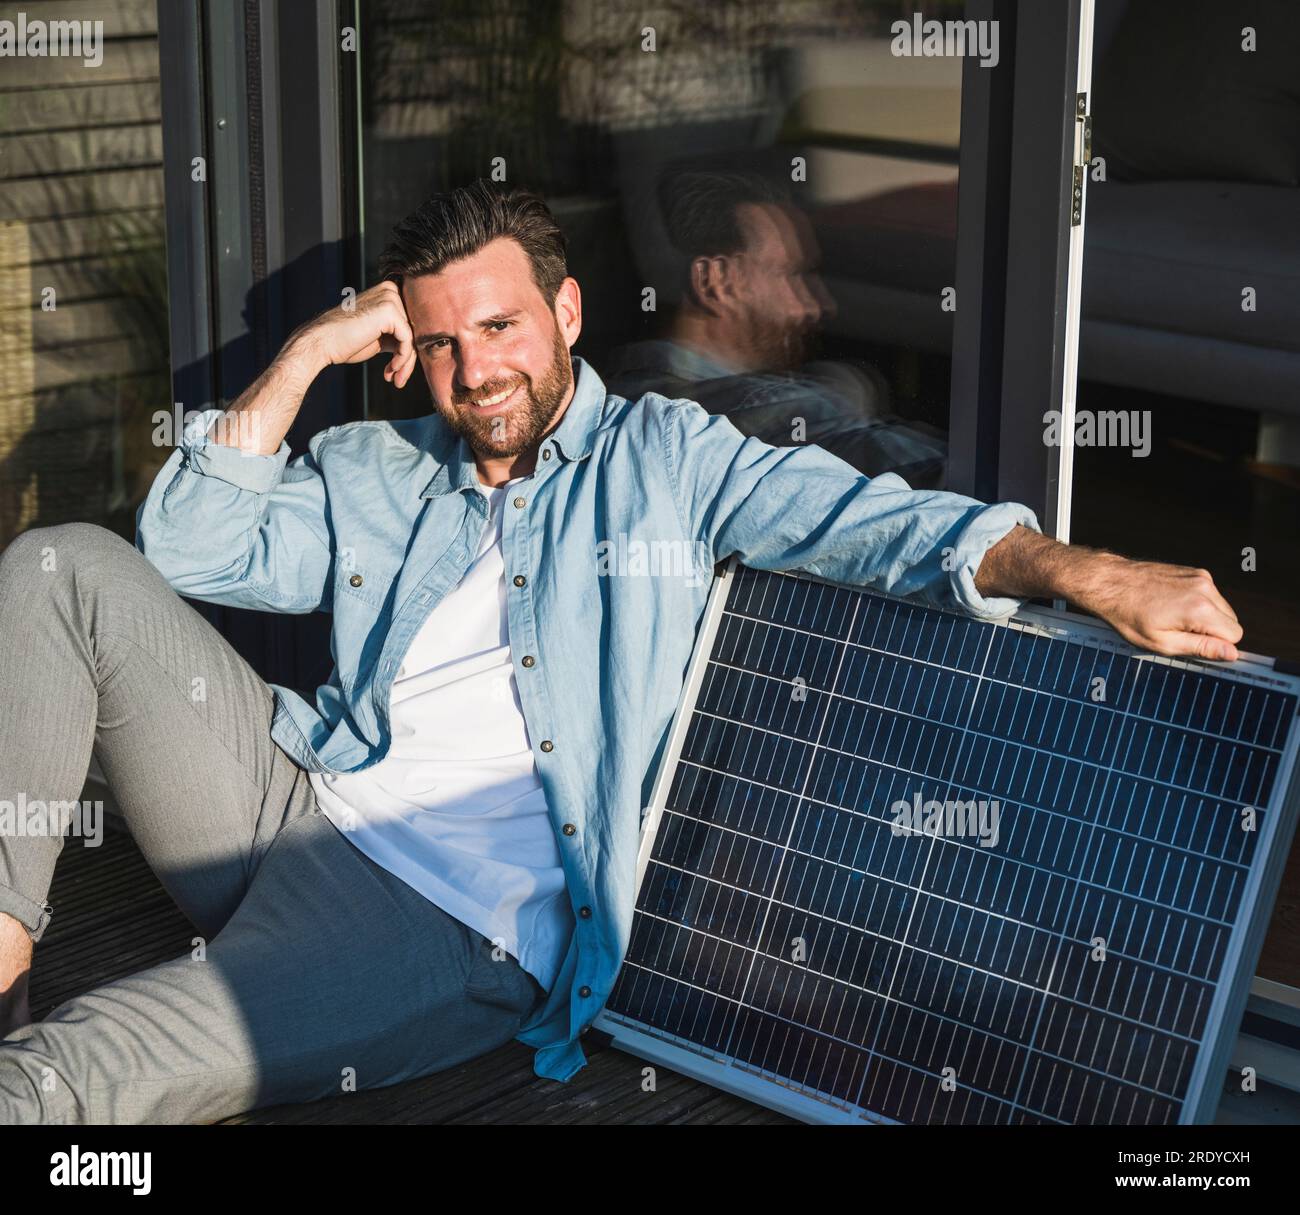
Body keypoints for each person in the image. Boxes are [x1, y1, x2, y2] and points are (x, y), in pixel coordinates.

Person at [0, 180, 1242, 1124]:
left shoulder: (665, 459)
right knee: (62, 565)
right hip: (289, 800)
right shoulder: (380, 467)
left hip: (441, 917)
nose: (475, 370)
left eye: (500, 327)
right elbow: (192, 541)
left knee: (65, 1081)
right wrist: (317, 348)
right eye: (439, 343)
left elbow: (878, 529)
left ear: (568, 312)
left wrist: (1087, 569)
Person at [604, 168, 948, 487]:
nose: (816, 305)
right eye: (791, 275)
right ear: (717, 281)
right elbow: (945, 479)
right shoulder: (767, 411)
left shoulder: (610, 396)